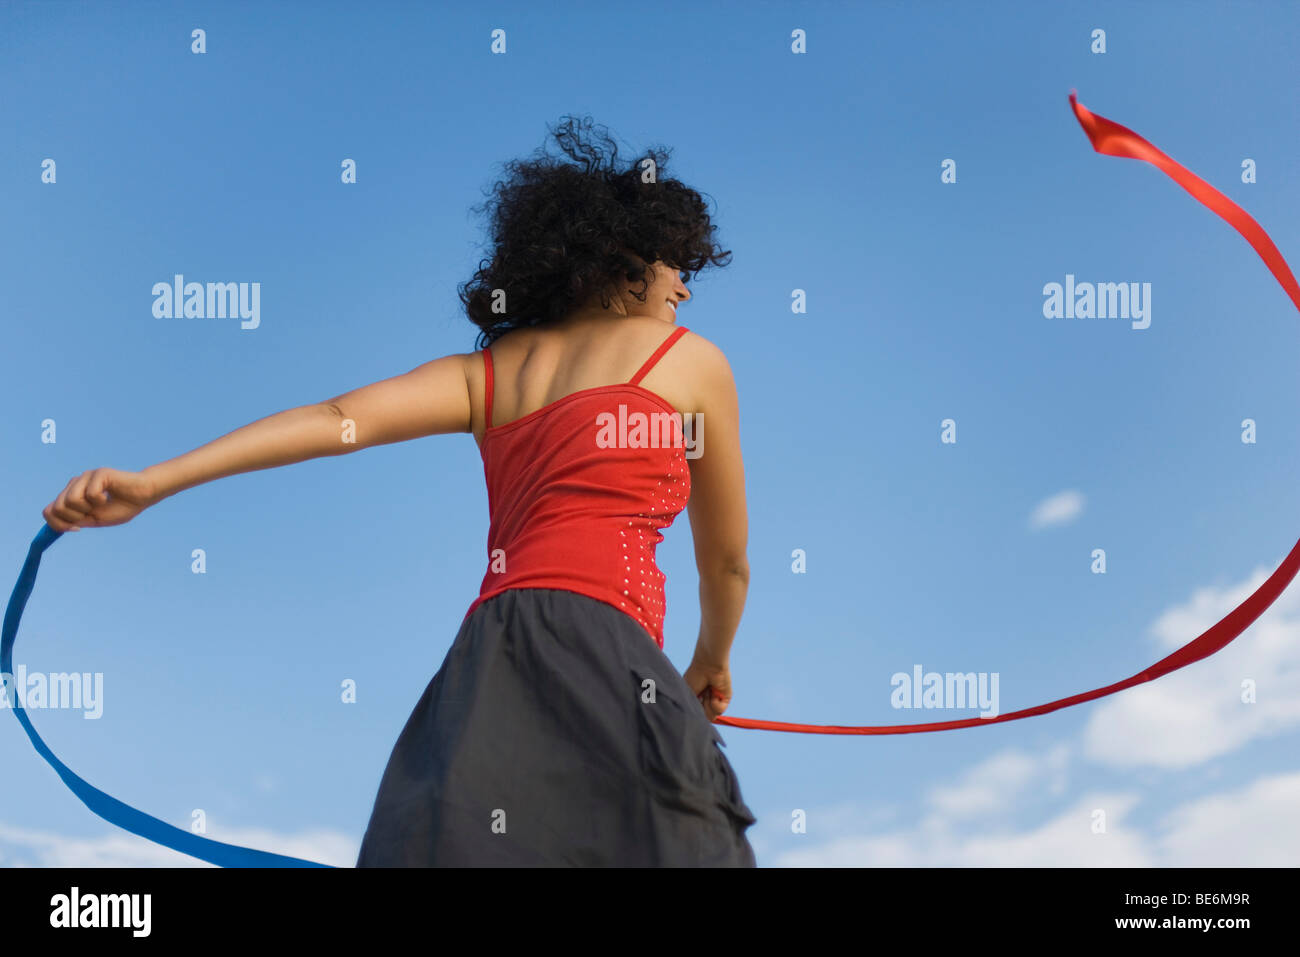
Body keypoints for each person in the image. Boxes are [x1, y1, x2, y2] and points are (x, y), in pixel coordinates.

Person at [39, 115, 758, 867]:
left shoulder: (490, 373)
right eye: (676, 264)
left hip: (491, 657)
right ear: (622, 258)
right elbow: (728, 563)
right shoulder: (691, 363)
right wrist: (710, 659)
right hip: (611, 646)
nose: (683, 284)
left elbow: (337, 418)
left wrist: (153, 482)